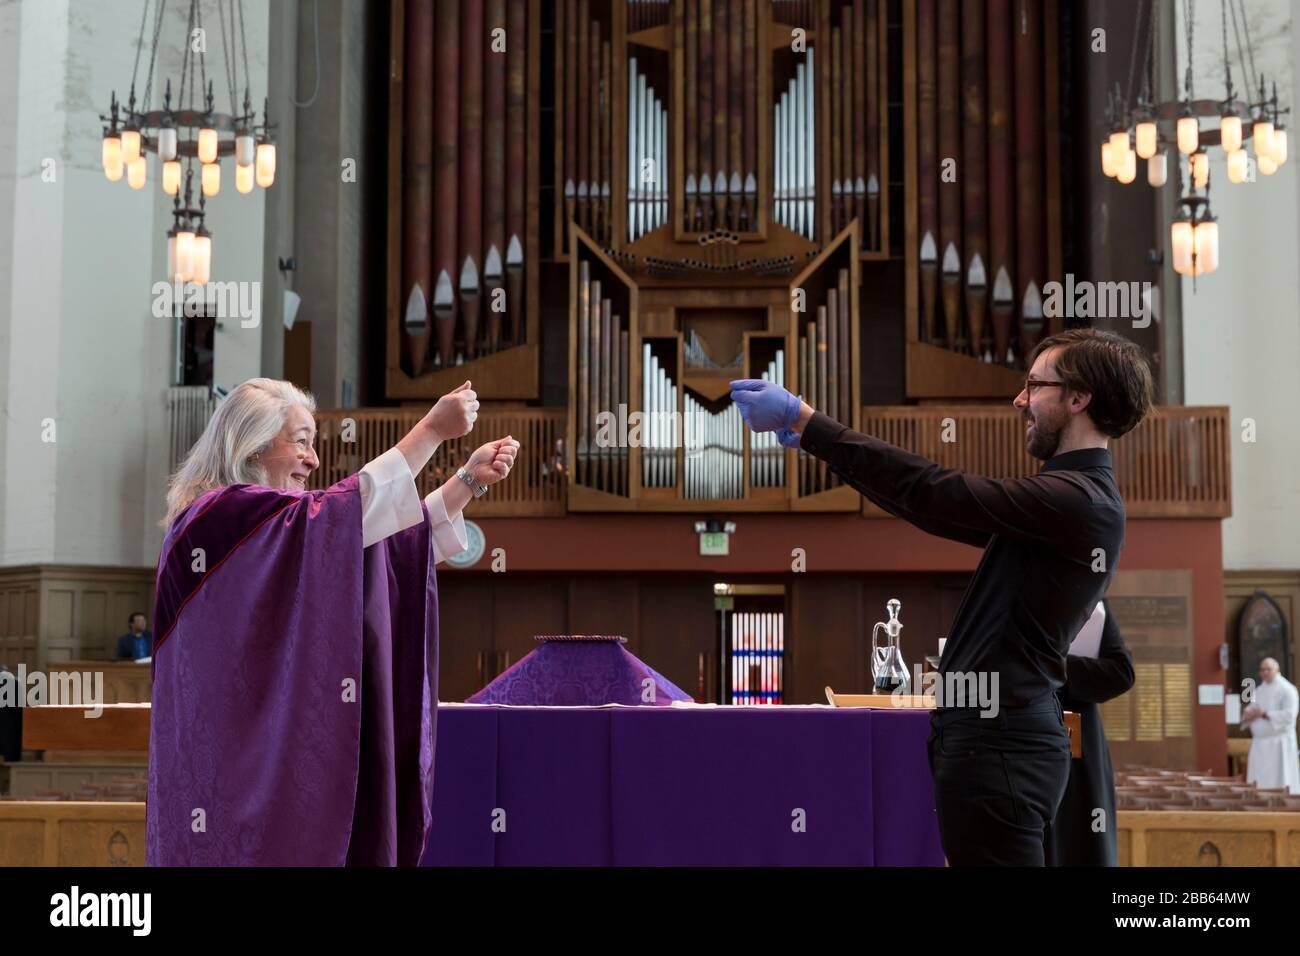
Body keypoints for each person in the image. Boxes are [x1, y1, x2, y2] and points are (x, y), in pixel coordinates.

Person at [731, 327, 1153, 866]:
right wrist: (823, 446)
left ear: (1078, 398)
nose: (1020, 399)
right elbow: (927, 506)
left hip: (1002, 744)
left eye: (1034, 385)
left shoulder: (1076, 500)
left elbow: (935, 490)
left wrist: (810, 424)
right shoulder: (1064, 500)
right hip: (994, 741)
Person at [147, 377, 519, 866]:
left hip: (255, 760)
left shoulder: (270, 525)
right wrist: (430, 430)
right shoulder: (217, 517)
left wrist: (465, 483)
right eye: (300, 441)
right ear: (251, 445)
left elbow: (377, 543)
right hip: (227, 770)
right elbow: (346, 517)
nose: (314, 460)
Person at [1045, 599, 1134, 866]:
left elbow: (1121, 672)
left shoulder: (1089, 601)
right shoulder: (1011, 593)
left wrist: (1053, 666)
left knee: (1084, 841)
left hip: (1081, 742)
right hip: (1022, 738)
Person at [1241, 657, 1300, 794]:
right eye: (1262, 670)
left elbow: (1290, 715)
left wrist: (1265, 714)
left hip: (1279, 743)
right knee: (1259, 782)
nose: (1265, 672)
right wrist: (1248, 715)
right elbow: (1250, 710)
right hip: (1260, 745)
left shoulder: (1288, 689)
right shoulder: (1259, 690)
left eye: (1268, 669)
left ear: (1277, 670)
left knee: (1280, 778)